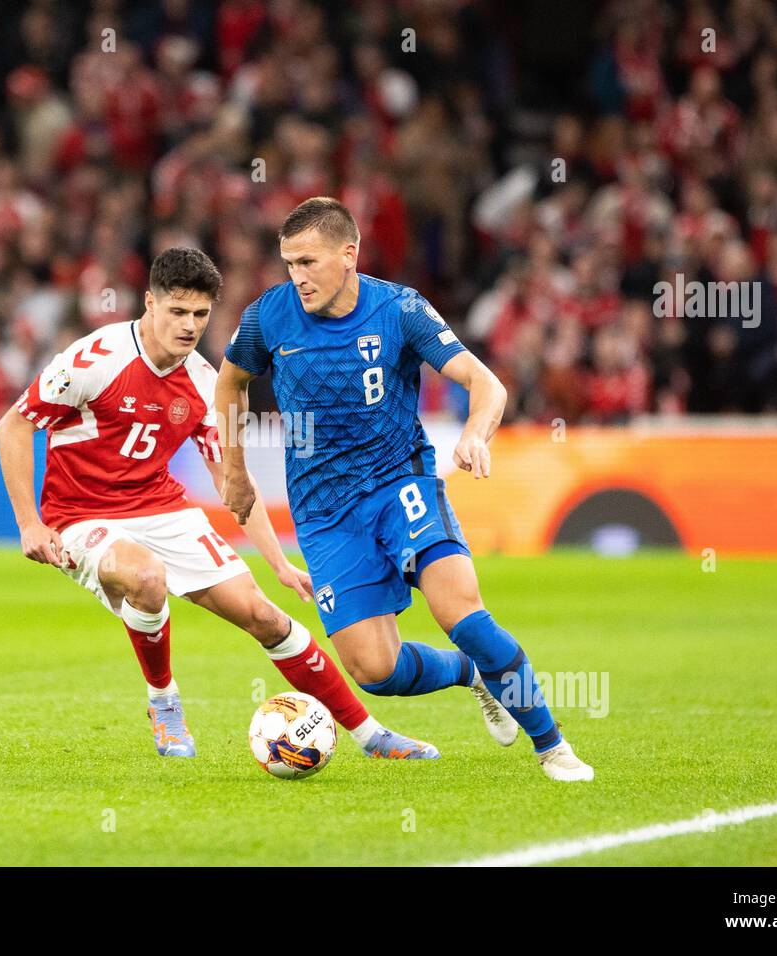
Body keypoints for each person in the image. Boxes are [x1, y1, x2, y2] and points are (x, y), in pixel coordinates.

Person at [0, 246, 438, 761]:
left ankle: (372, 736)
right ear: (149, 304)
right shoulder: (94, 359)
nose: (189, 326)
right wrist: (30, 524)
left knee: (266, 617)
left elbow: (236, 483)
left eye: (200, 315)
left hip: (161, 509)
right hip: (80, 518)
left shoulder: (208, 385)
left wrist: (279, 564)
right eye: (177, 312)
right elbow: (14, 424)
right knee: (145, 578)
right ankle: (164, 706)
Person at [216, 197, 594, 781]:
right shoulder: (269, 316)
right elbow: (231, 382)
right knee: (375, 671)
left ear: (349, 254)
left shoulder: (399, 309)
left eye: (308, 262)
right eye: (289, 263)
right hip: (323, 513)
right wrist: (235, 469)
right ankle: (474, 675)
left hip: (401, 484)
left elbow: (484, 382)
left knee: (461, 613)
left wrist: (474, 434)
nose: (297, 276)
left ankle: (552, 745)